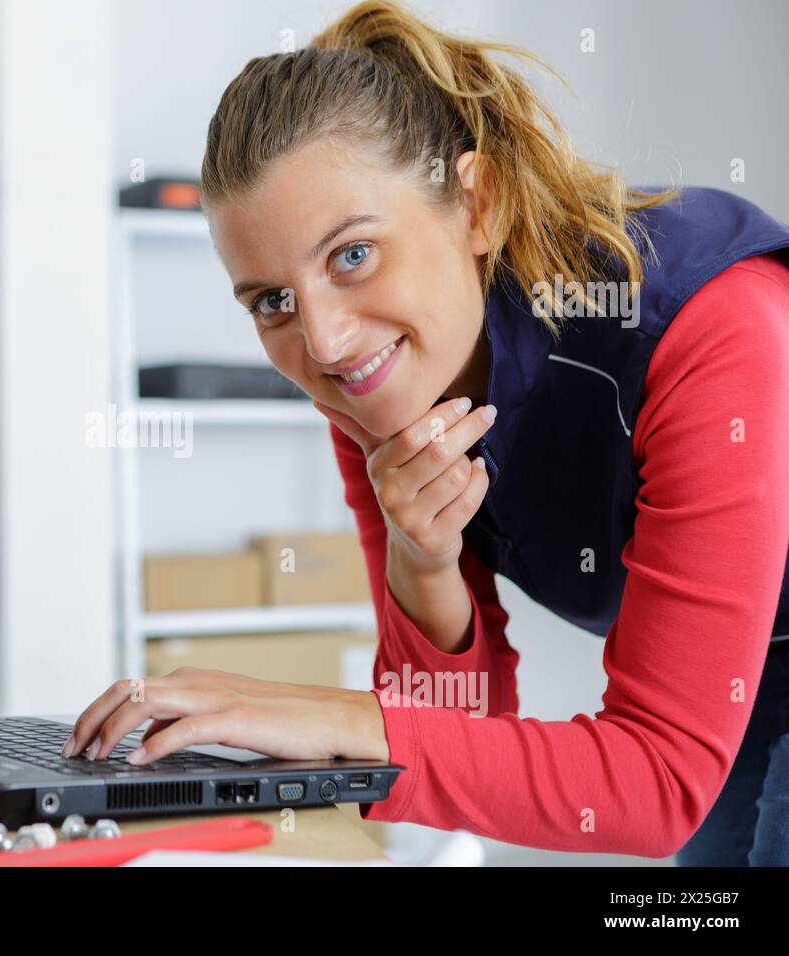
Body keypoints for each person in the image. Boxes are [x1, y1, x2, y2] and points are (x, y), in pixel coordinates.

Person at [64, 0, 789, 864]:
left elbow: (656, 782)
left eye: (353, 255)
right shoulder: (368, 386)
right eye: (272, 301)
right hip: (727, 683)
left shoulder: (710, 326)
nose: (325, 340)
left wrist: (324, 715)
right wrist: (424, 563)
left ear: (477, 205)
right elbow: (449, 745)